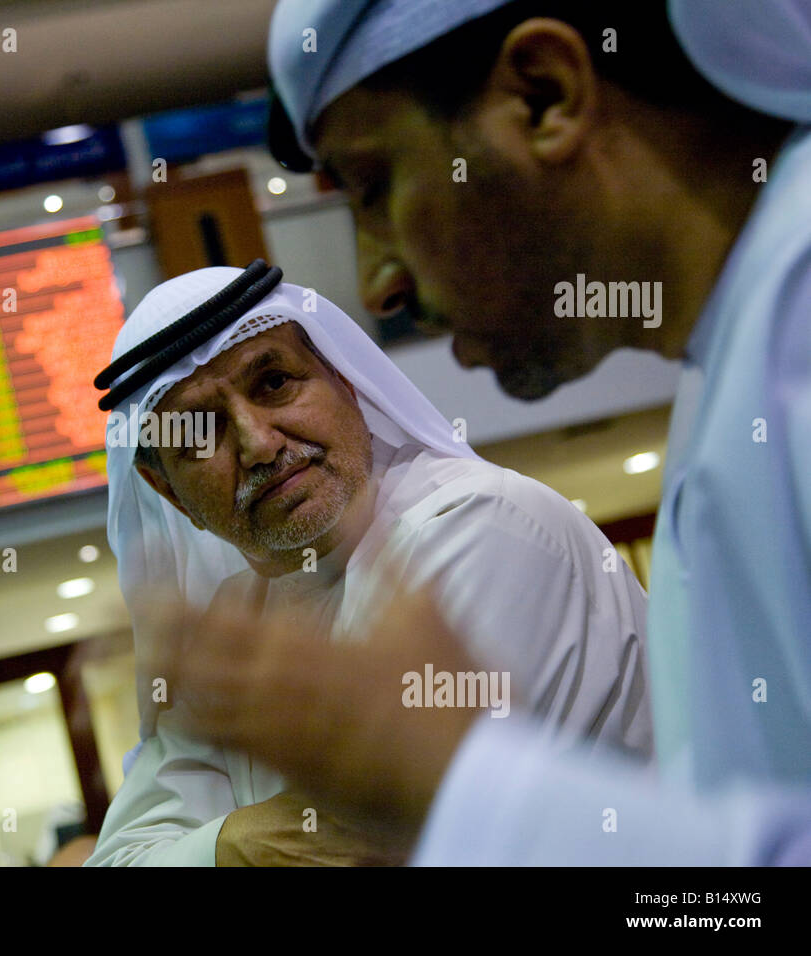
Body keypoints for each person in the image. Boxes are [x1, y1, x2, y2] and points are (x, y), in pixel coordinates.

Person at [153, 0, 811, 864]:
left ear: (544, 97)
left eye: (376, 186)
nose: (377, 282)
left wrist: (463, 790)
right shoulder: (739, 357)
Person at [85, 260, 653, 866]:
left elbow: (380, 841)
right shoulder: (231, 620)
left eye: (274, 383)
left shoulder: (478, 523)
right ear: (169, 491)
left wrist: (222, 847)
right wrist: (237, 845)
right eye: (200, 435)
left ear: (347, 381)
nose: (259, 442)